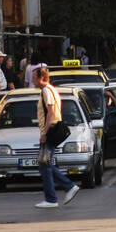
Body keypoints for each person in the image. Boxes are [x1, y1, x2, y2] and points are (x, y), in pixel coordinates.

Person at [35, 66, 79, 209]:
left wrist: (44, 132)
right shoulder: (51, 89)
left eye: (34, 77)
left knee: (45, 164)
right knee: (44, 164)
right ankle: (62, 190)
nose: (32, 80)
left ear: (41, 78)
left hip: (50, 131)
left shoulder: (46, 90)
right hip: (52, 130)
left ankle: (55, 196)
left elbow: (51, 111)